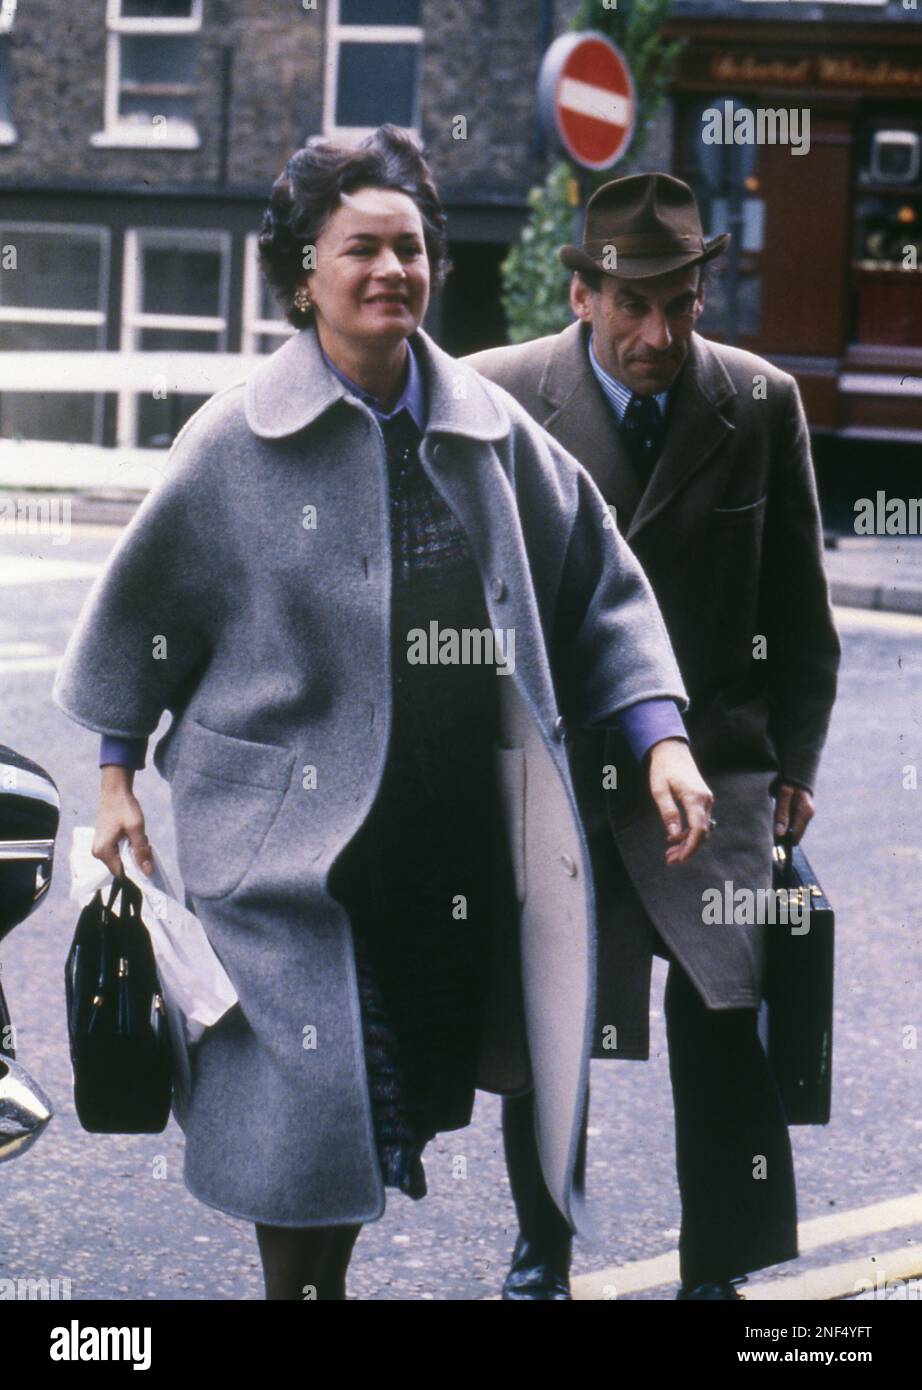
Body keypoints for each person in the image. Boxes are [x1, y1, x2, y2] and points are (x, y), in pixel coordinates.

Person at [51, 133, 714, 1301]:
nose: (391, 270)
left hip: (431, 852)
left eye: (410, 246)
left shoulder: (488, 431)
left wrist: (659, 733)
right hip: (280, 862)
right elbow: (141, 619)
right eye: (361, 247)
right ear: (305, 271)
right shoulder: (233, 440)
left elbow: (597, 582)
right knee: (301, 1142)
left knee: (369, 1130)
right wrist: (113, 781)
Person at [466, 172, 841, 1301]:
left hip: (715, 762)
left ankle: (716, 1273)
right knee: (550, 1020)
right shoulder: (497, 397)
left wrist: (795, 769)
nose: (658, 333)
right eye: (631, 305)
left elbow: (801, 616)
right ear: (581, 294)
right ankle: (543, 1253)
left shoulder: (759, 400)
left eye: (679, 304)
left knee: (726, 1008)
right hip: (557, 761)